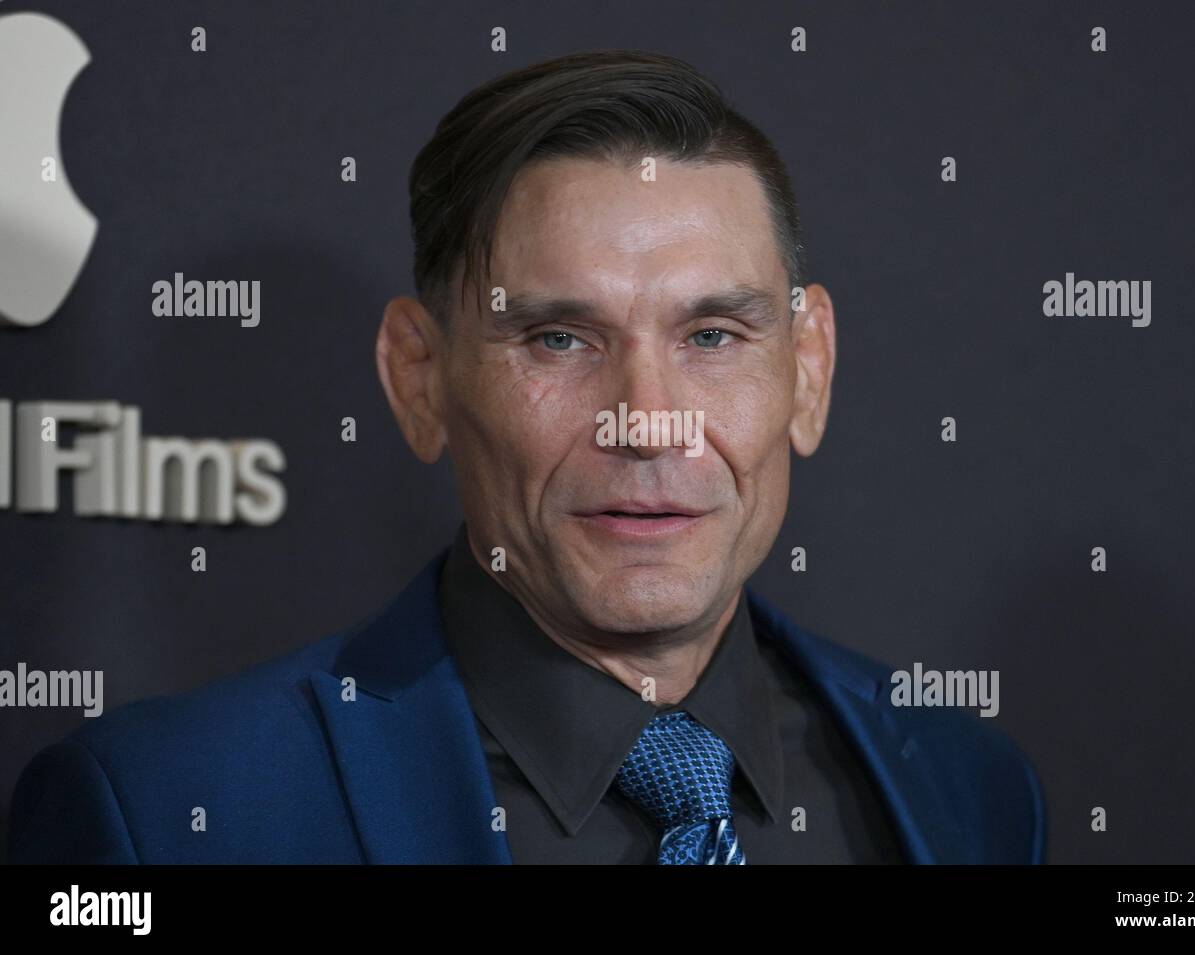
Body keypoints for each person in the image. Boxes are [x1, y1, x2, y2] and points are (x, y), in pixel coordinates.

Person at [7, 50, 1045, 865]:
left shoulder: (967, 788)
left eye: (713, 337)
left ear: (808, 369)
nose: (649, 423)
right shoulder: (170, 811)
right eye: (560, 338)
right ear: (420, 378)